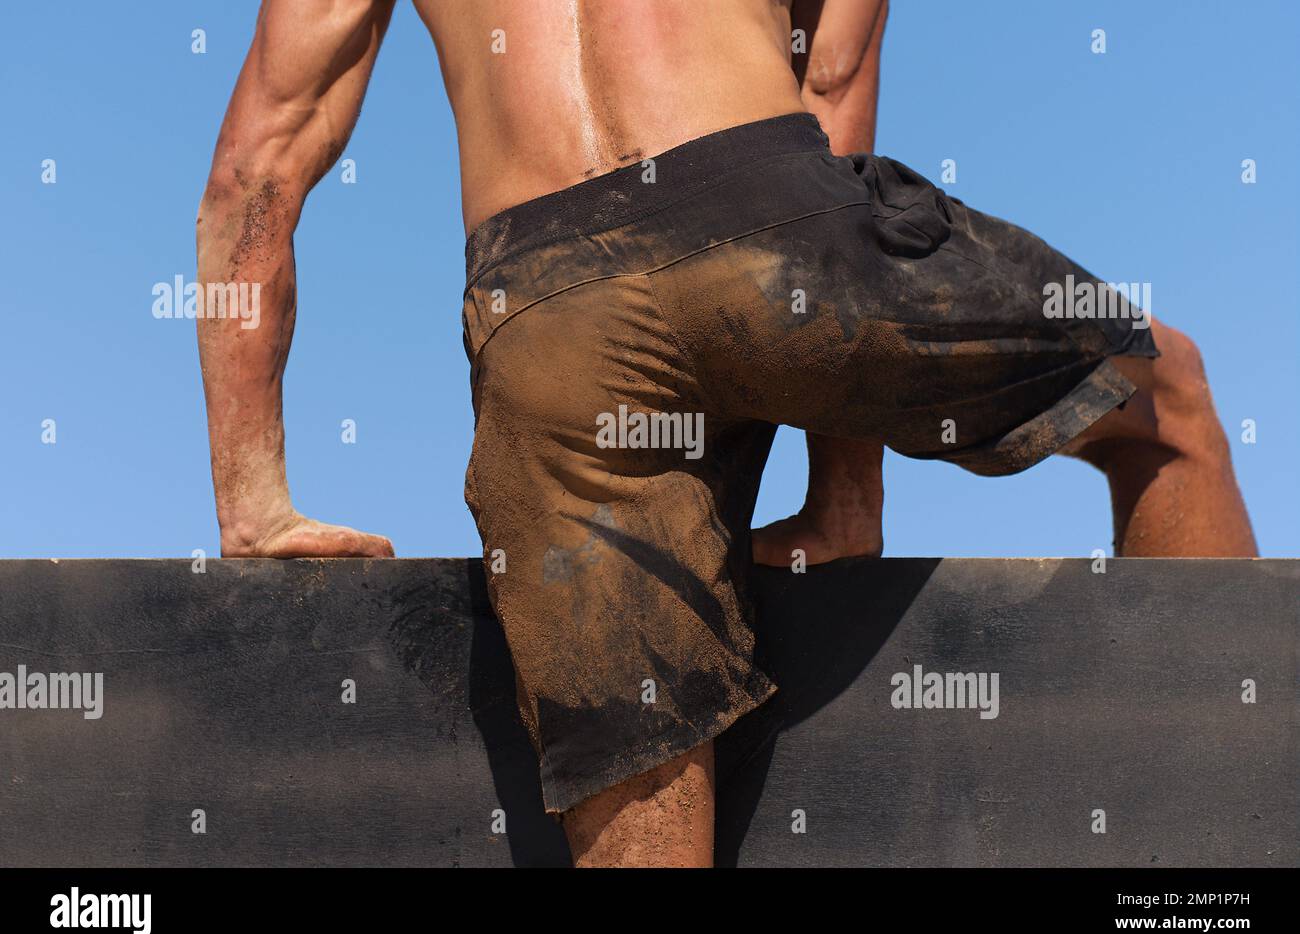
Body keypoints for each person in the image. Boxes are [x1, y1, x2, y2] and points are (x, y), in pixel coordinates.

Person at [195, 0, 1256, 867]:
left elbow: (254, 174)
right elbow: (833, 101)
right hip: (765, 223)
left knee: (641, 769)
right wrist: (847, 497)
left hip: (548, 309)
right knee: (1173, 409)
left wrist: (252, 503)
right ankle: (1227, 854)